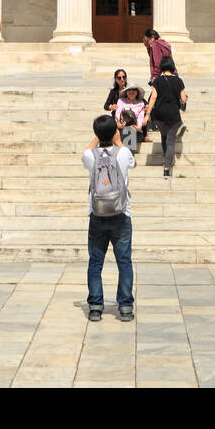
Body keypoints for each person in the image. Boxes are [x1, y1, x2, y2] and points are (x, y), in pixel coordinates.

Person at [83, 114, 134, 322]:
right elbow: (133, 163)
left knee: (96, 262)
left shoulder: (90, 156)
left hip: (97, 213)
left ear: (96, 133)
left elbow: (88, 149)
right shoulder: (123, 153)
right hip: (121, 213)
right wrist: (118, 138)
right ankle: (125, 307)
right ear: (115, 131)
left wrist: (98, 136)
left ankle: (95, 306)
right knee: (124, 261)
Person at [146, 56, 187, 177]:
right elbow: (183, 99)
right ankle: (167, 168)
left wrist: (147, 114)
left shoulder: (157, 81)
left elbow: (153, 97)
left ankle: (166, 159)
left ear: (162, 67)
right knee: (170, 141)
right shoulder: (178, 81)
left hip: (159, 114)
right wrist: (184, 100)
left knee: (164, 137)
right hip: (173, 114)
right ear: (172, 66)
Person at [115, 85, 148, 152]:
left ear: (137, 92)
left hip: (136, 130)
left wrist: (138, 127)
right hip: (122, 128)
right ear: (126, 92)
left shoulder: (141, 103)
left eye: (134, 90)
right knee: (126, 132)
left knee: (130, 131)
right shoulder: (121, 101)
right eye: (129, 90)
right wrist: (118, 123)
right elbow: (118, 112)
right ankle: (129, 157)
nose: (131, 92)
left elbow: (140, 116)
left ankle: (127, 157)